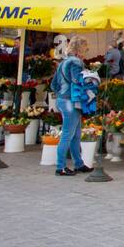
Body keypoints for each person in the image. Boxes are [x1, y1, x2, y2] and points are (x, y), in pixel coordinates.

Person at [52, 38, 95, 176]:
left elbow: (53, 85)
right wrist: (91, 77)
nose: (85, 53)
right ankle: (60, 167)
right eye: (85, 50)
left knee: (75, 134)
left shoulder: (62, 62)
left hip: (61, 99)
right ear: (79, 49)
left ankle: (79, 164)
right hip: (71, 101)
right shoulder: (76, 62)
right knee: (67, 135)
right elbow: (78, 80)